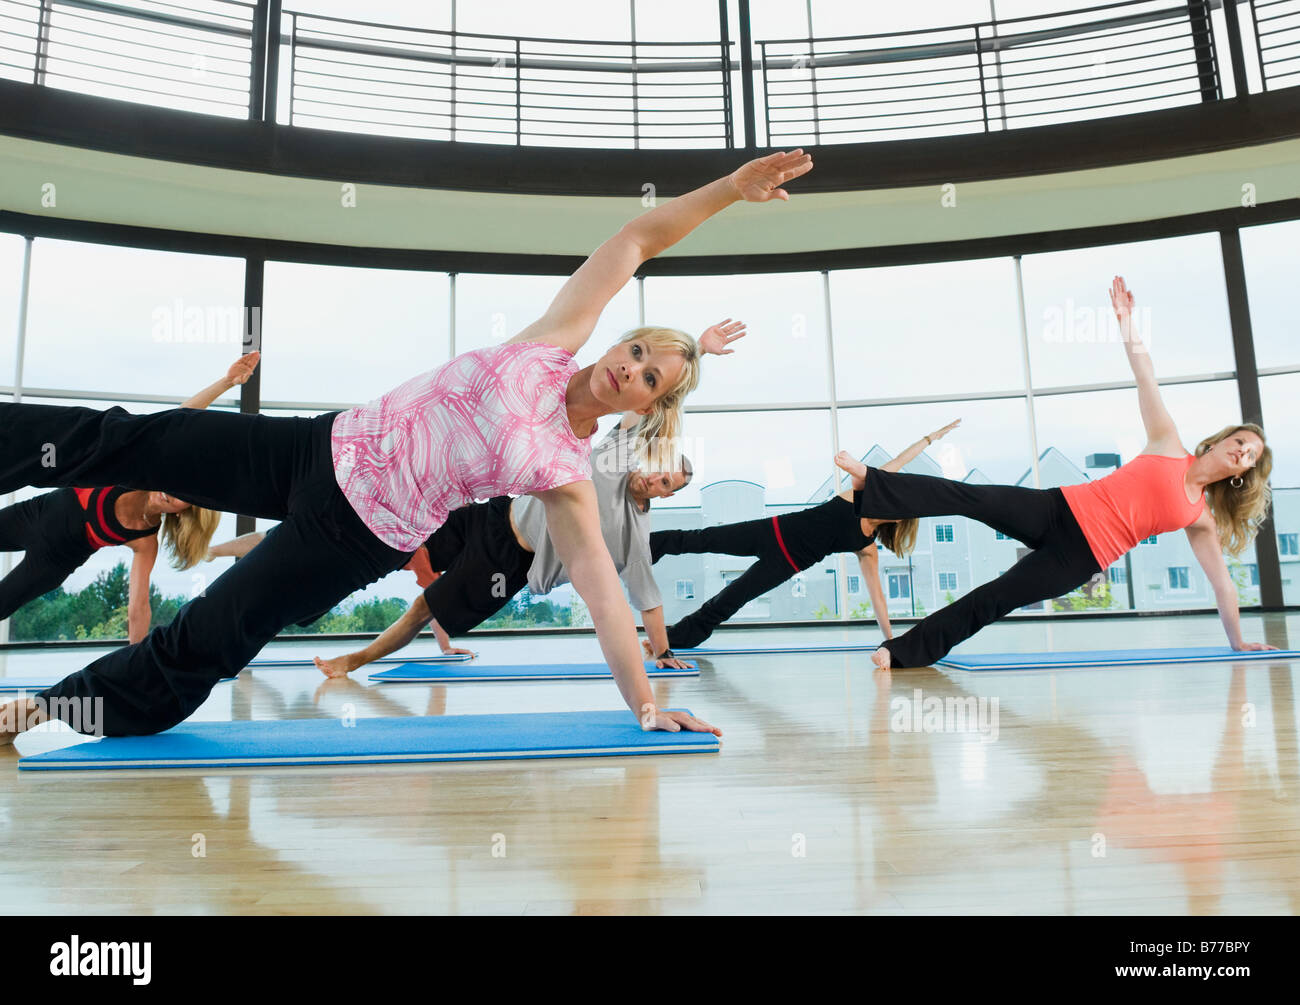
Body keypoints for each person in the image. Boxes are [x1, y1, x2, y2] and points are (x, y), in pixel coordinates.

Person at [0, 149, 813, 743]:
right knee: (130, 439)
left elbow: (605, 600)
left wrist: (646, 704)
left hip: (354, 536)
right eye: (636, 352)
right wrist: (730, 193)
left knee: (212, 633)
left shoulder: (564, 473)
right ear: (620, 342)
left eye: (647, 379)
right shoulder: (556, 338)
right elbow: (637, 240)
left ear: (648, 405)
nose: (628, 370)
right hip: (318, 449)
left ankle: (46, 707)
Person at [836, 276, 1276, 670]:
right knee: (969, 496)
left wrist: (1237, 641)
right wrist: (1125, 322)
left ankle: (901, 652)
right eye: (1240, 441)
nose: (1242, 451)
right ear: (1219, 441)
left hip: (1079, 557)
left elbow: (1222, 584)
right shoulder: (1168, 444)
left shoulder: (1198, 516)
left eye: (1251, 455)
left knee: (994, 598)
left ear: (1243, 474)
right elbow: (1146, 377)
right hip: (1056, 508)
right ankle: (872, 484)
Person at [0, 353, 256, 643]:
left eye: (182, 496)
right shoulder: (135, 474)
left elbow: (139, 605)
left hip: (52, 562)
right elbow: (177, 420)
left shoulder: (146, 540)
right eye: (175, 483)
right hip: (32, 516)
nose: (170, 493)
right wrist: (226, 382)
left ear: (183, 512)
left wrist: (136, 662)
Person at [649, 420, 960, 649]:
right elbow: (899, 461)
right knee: (702, 539)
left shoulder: (868, 548)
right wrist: (930, 438)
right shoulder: (861, 492)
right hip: (771, 531)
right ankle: (645, 548)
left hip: (785, 564)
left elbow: (878, 597)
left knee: (729, 600)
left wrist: (891, 641)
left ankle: (670, 641)